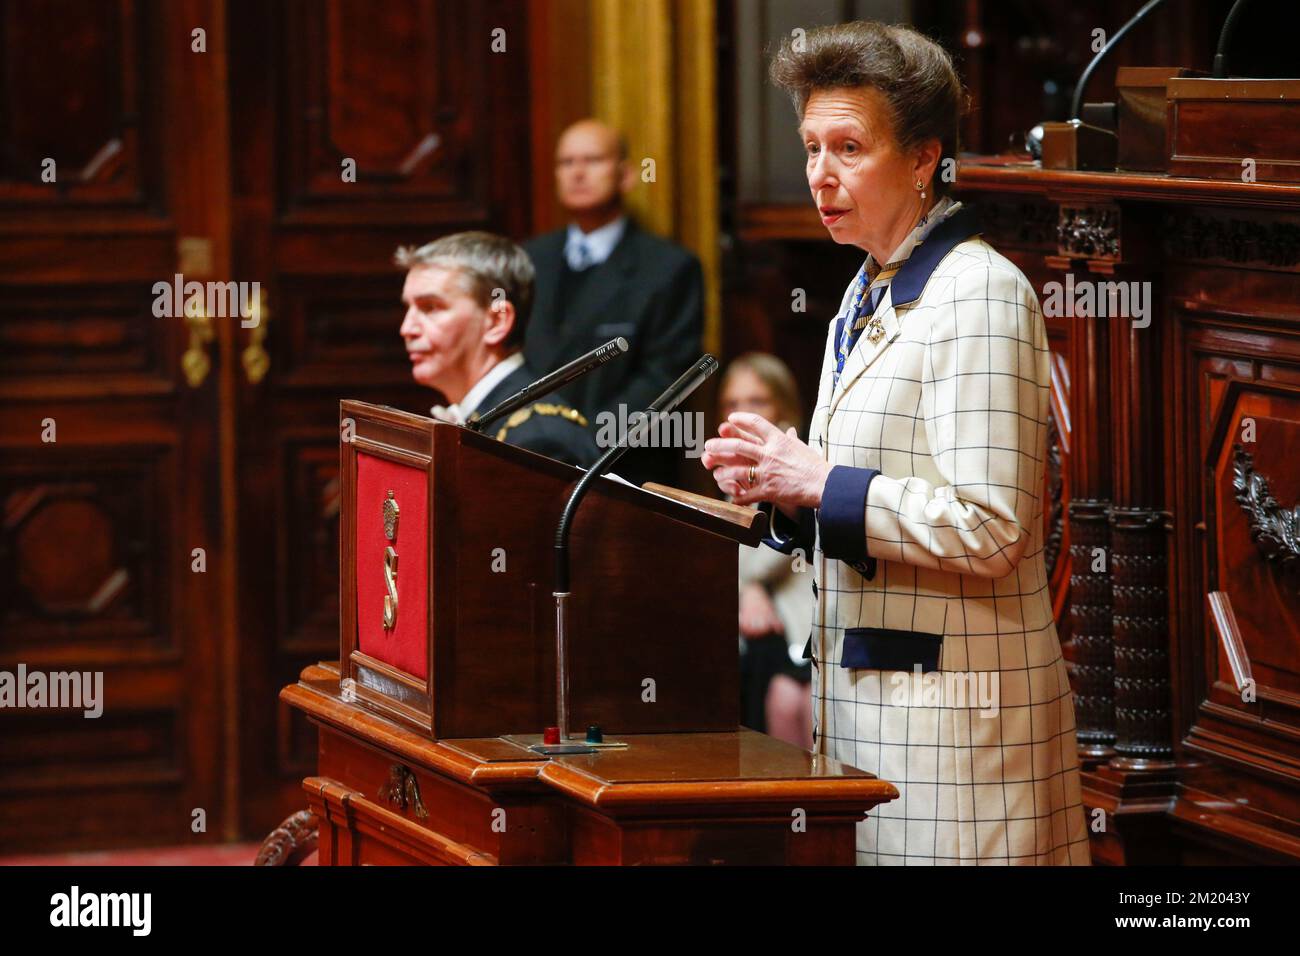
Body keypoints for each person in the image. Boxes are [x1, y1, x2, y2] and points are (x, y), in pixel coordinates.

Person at [701, 21, 1090, 866]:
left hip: (958, 722)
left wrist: (820, 478)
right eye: (810, 147)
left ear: (922, 160)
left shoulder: (978, 293)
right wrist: (779, 483)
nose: (820, 174)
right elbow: (871, 489)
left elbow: (993, 526)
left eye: (849, 146)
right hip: (869, 708)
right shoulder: (866, 288)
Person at [523, 119, 704, 485]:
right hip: (528, 455)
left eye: (591, 160)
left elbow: (664, 378)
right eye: (566, 162)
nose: (577, 173)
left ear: (624, 175)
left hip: (620, 469)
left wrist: (580, 443)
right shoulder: (530, 259)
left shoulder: (669, 267)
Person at [396, 231, 598, 468]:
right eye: (409, 308)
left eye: (430, 307)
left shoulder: (537, 440)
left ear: (496, 322)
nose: (406, 328)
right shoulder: (489, 419)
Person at [721, 355, 816, 749]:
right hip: (758, 644)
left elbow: (781, 544)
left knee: (794, 701)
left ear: (784, 408)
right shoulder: (728, 478)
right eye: (731, 403)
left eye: (757, 402)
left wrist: (750, 586)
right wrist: (748, 590)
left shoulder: (805, 467)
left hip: (806, 632)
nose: (743, 414)